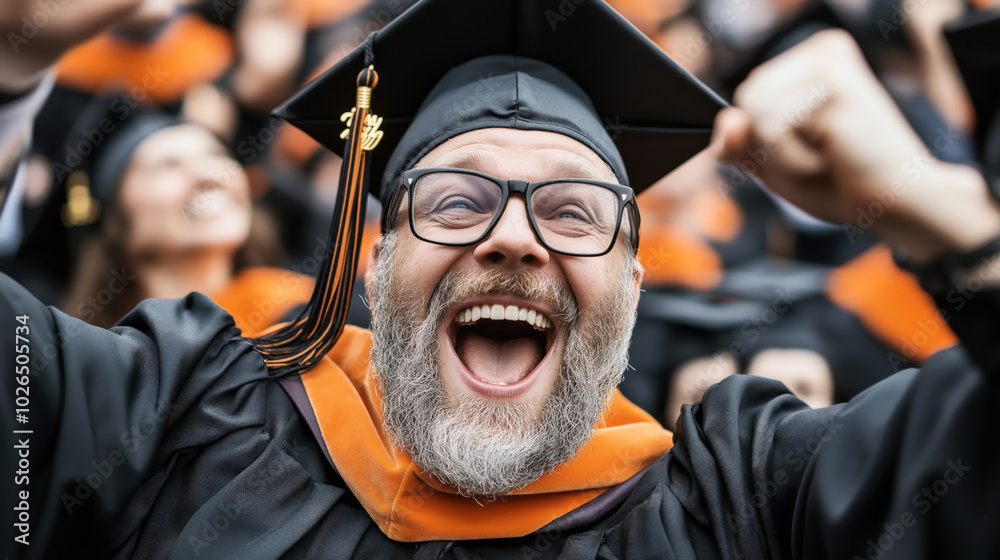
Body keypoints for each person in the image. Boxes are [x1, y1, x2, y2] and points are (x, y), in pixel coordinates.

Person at [3, 1, 1000, 559]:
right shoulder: (177, 418)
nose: (514, 239)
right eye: (454, 199)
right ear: (379, 251)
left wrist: (961, 237)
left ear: (635, 277)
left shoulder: (747, 506)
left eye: (573, 212)